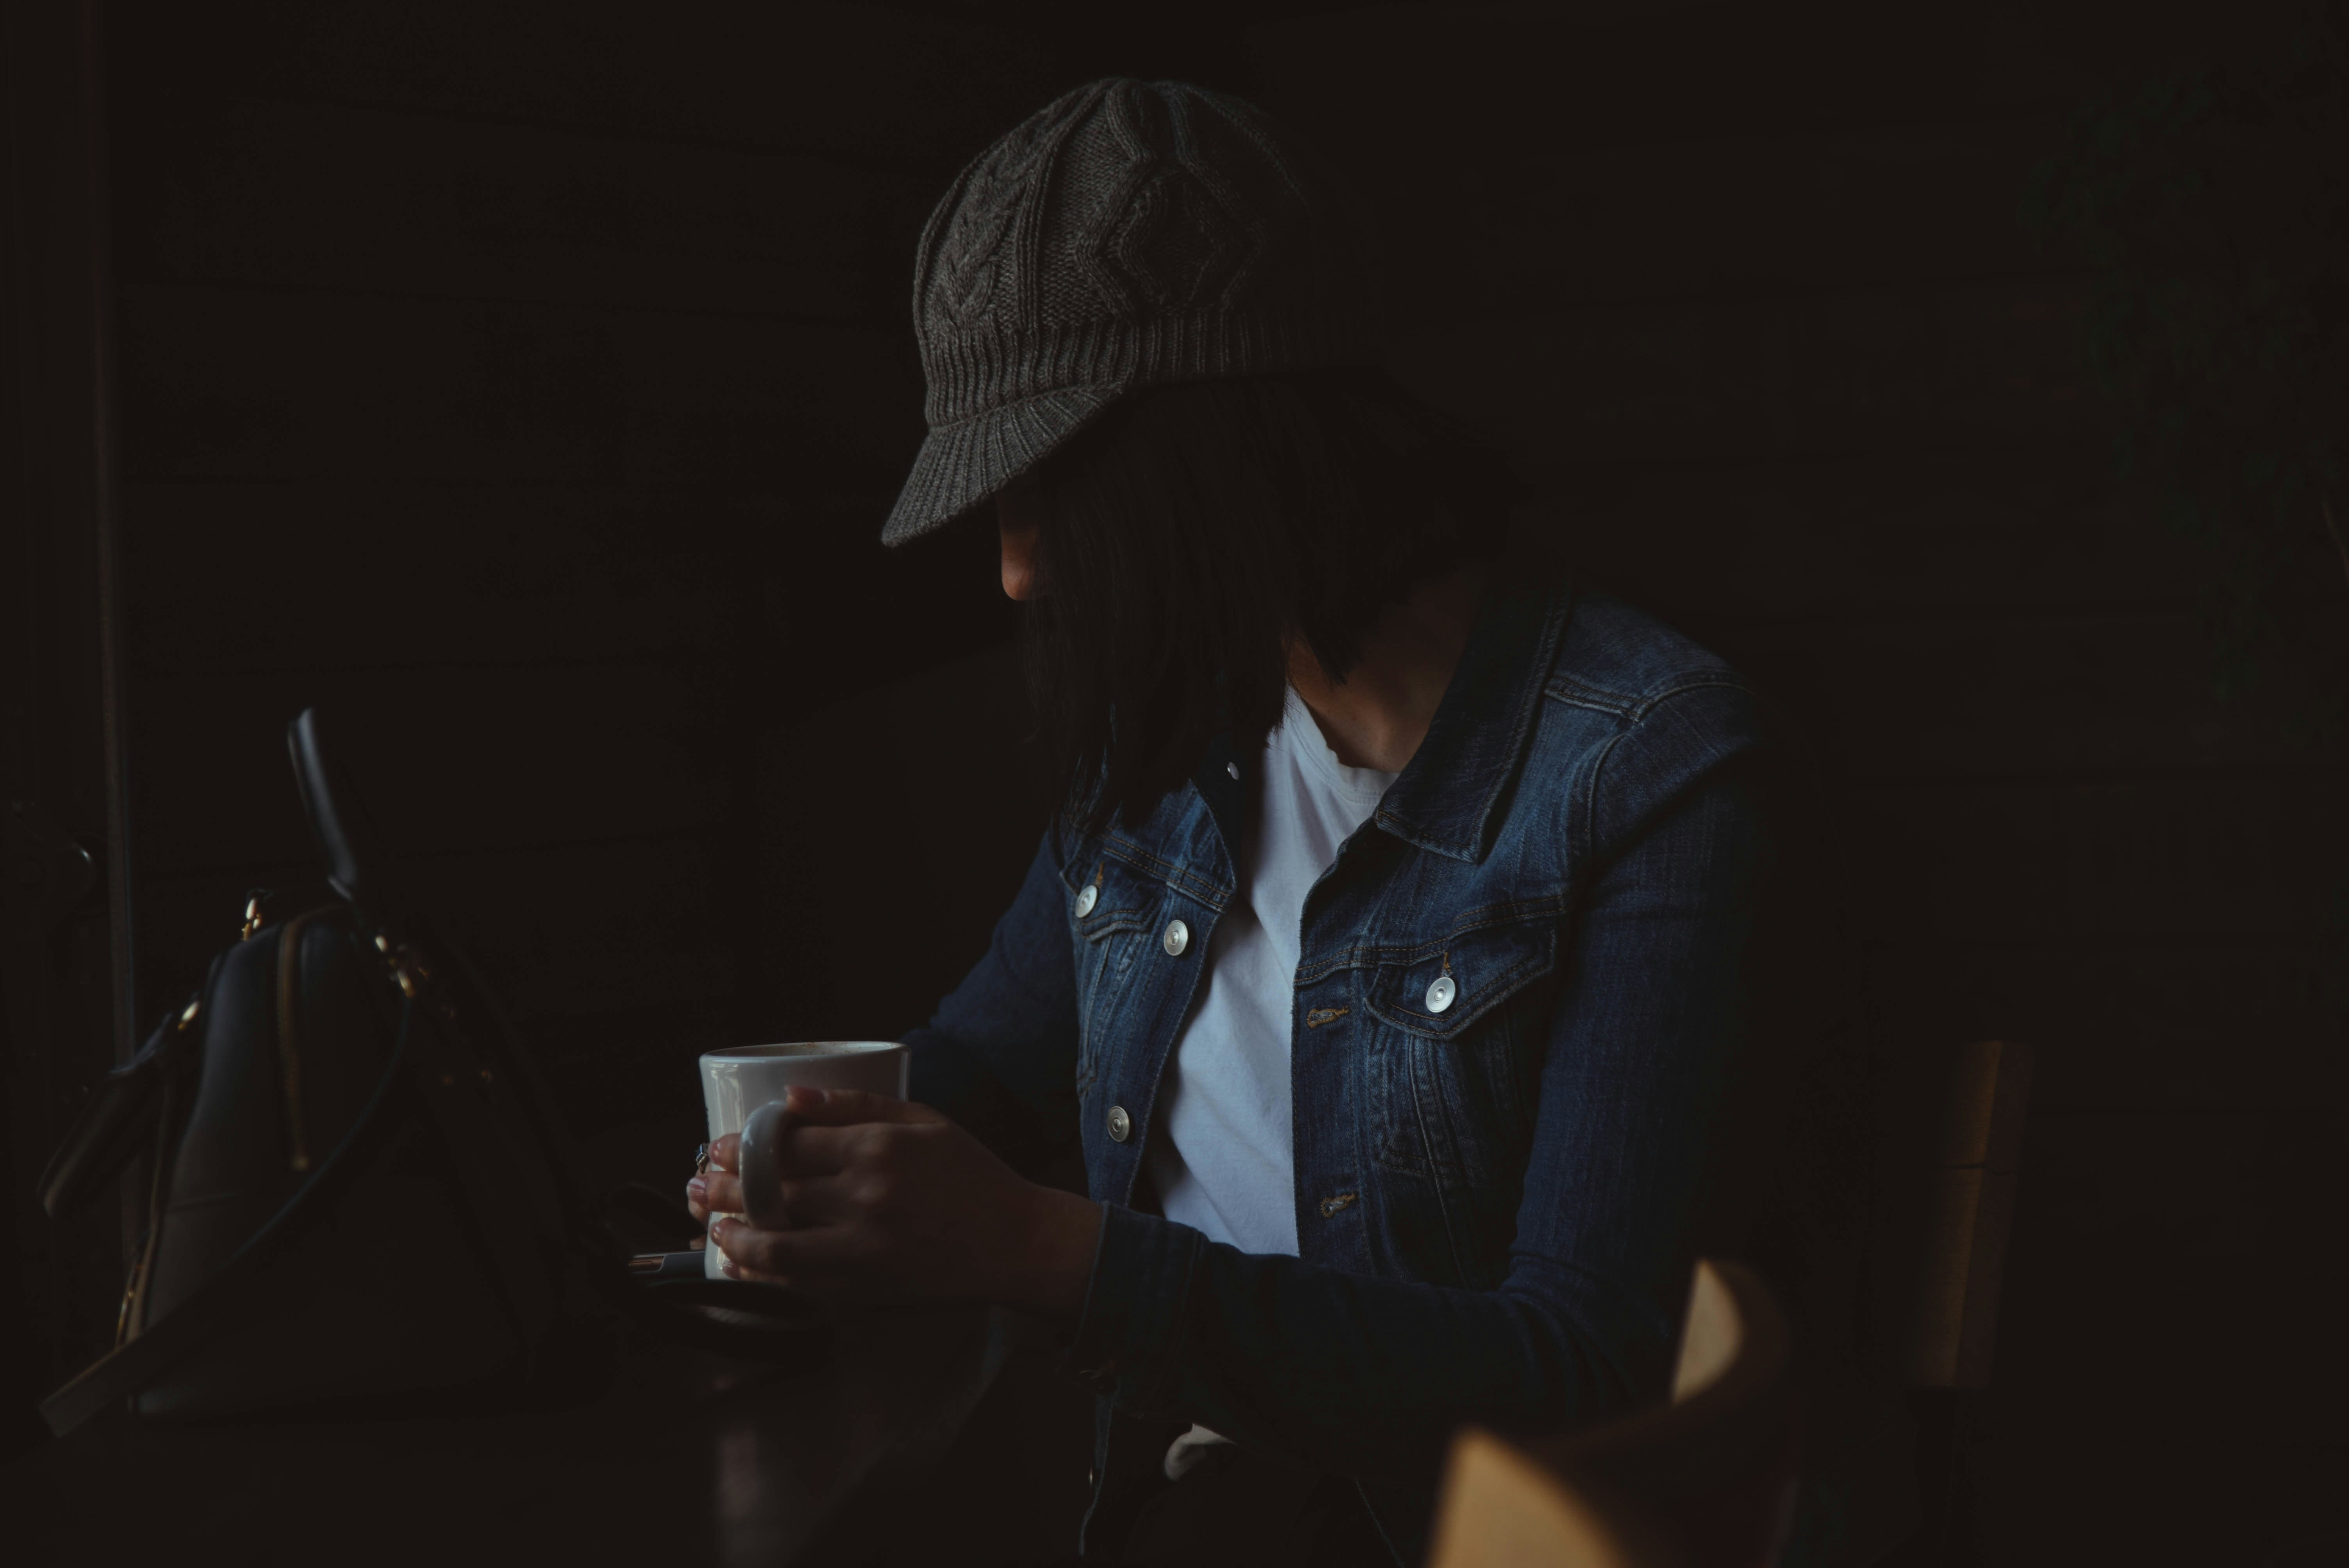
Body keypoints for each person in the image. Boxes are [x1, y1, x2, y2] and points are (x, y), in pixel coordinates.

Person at [688, 76, 1821, 1565]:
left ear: (1211, 447)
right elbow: (974, 1061)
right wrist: (808, 1171)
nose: (1018, 571)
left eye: (1049, 490)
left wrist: (1046, 1253)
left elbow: (1582, 1370)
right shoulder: (1161, 744)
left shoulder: (1644, 771)